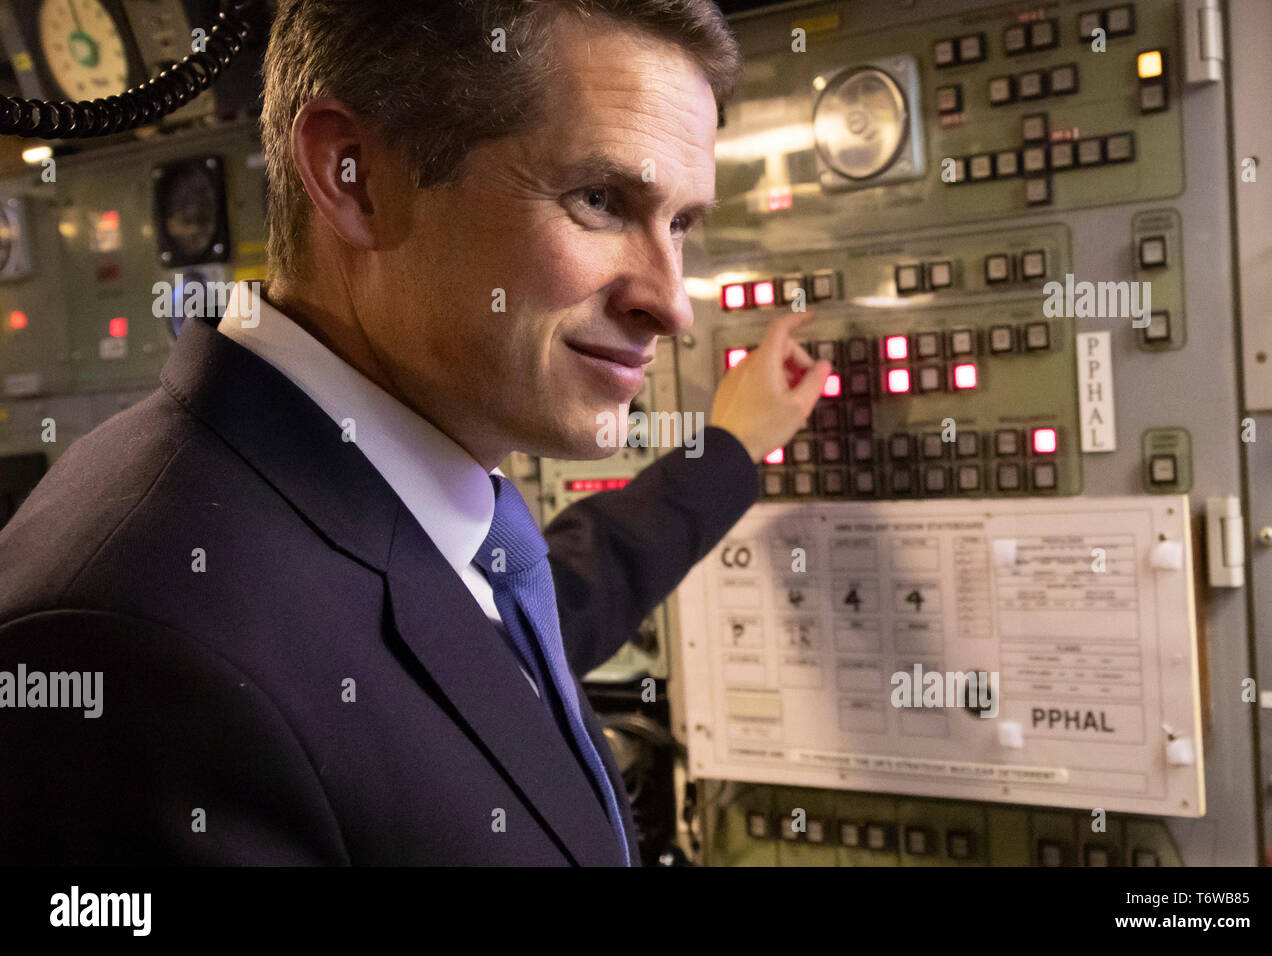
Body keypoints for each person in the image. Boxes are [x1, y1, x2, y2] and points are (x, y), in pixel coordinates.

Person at [0, 0, 829, 865]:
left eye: (682, 224)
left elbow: (480, 653)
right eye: (600, 199)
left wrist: (723, 453)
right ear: (355, 178)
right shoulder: (136, 650)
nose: (673, 303)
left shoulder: (352, 492)